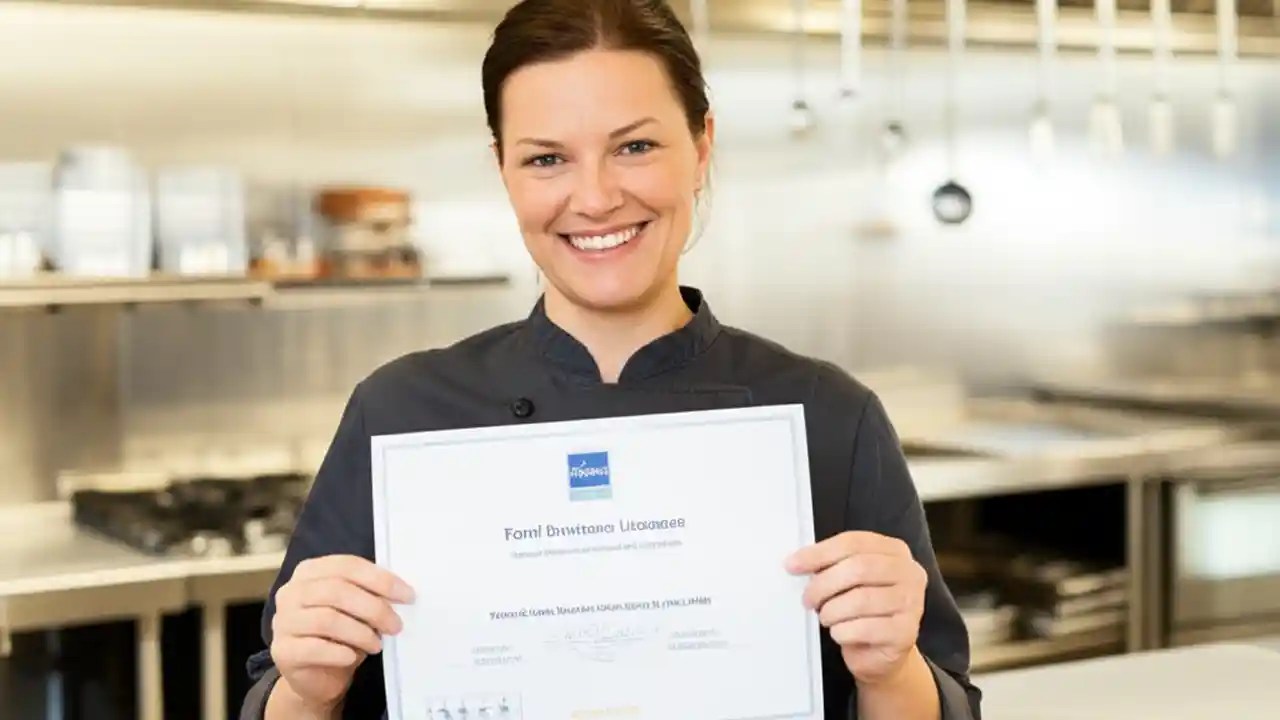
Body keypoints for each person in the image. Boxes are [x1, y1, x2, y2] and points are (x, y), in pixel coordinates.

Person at [239, 1, 981, 718]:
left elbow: (945, 704)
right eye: (547, 159)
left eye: (634, 147)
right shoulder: (399, 413)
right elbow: (277, 700)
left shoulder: (830, 418)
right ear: (503, 170)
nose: (593, 198)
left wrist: (891, 669)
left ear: (701, 147)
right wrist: (308, 689)